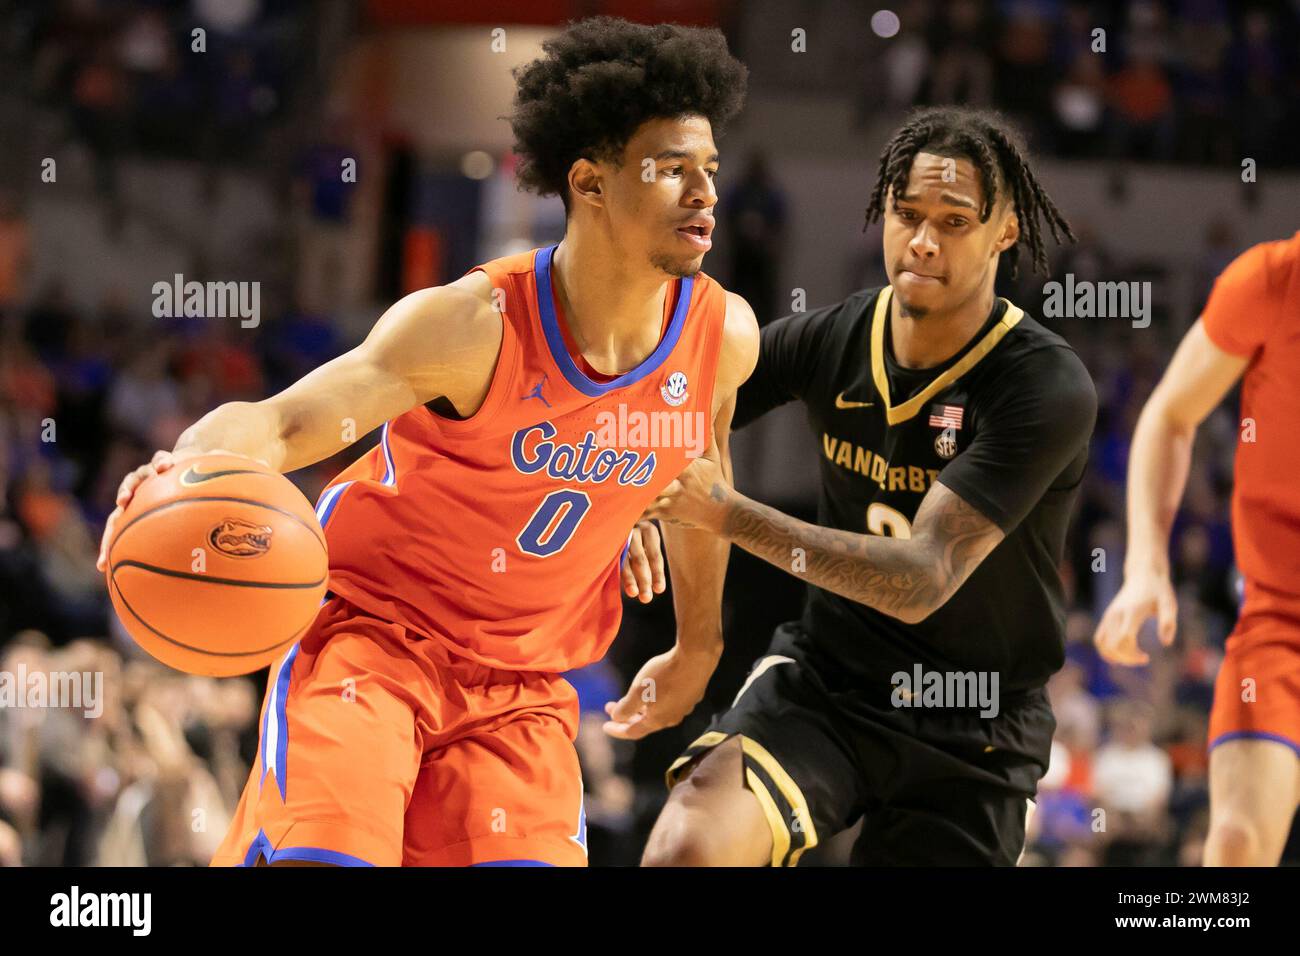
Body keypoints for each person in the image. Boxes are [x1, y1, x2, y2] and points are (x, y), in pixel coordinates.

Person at [96, 17, 757, 867]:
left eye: (709, 169)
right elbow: (286, 423)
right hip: (374, 640)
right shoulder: (471, 326)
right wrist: (185, 469)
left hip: (522, 689)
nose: (704, 192)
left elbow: (703, 492)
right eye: (671, 170)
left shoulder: (724, 337)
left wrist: (697, 644)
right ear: (589, 182)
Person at [607, 106, 1097, 866]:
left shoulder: (1043, 383)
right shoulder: (833, 336)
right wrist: (632, 503)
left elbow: (923, 577)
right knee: (686, 849)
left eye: (956, 221)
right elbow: (679, 408)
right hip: (829, 684)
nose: (924, 241)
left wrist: (727, 514)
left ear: (1005, 230)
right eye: (907, 214)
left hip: (974, 723)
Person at [1093, 231, 1300, 866]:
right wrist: (1146, 564)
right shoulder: (1269, 280)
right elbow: (1170, 415)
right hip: (1280, 625)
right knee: (1235, 847)